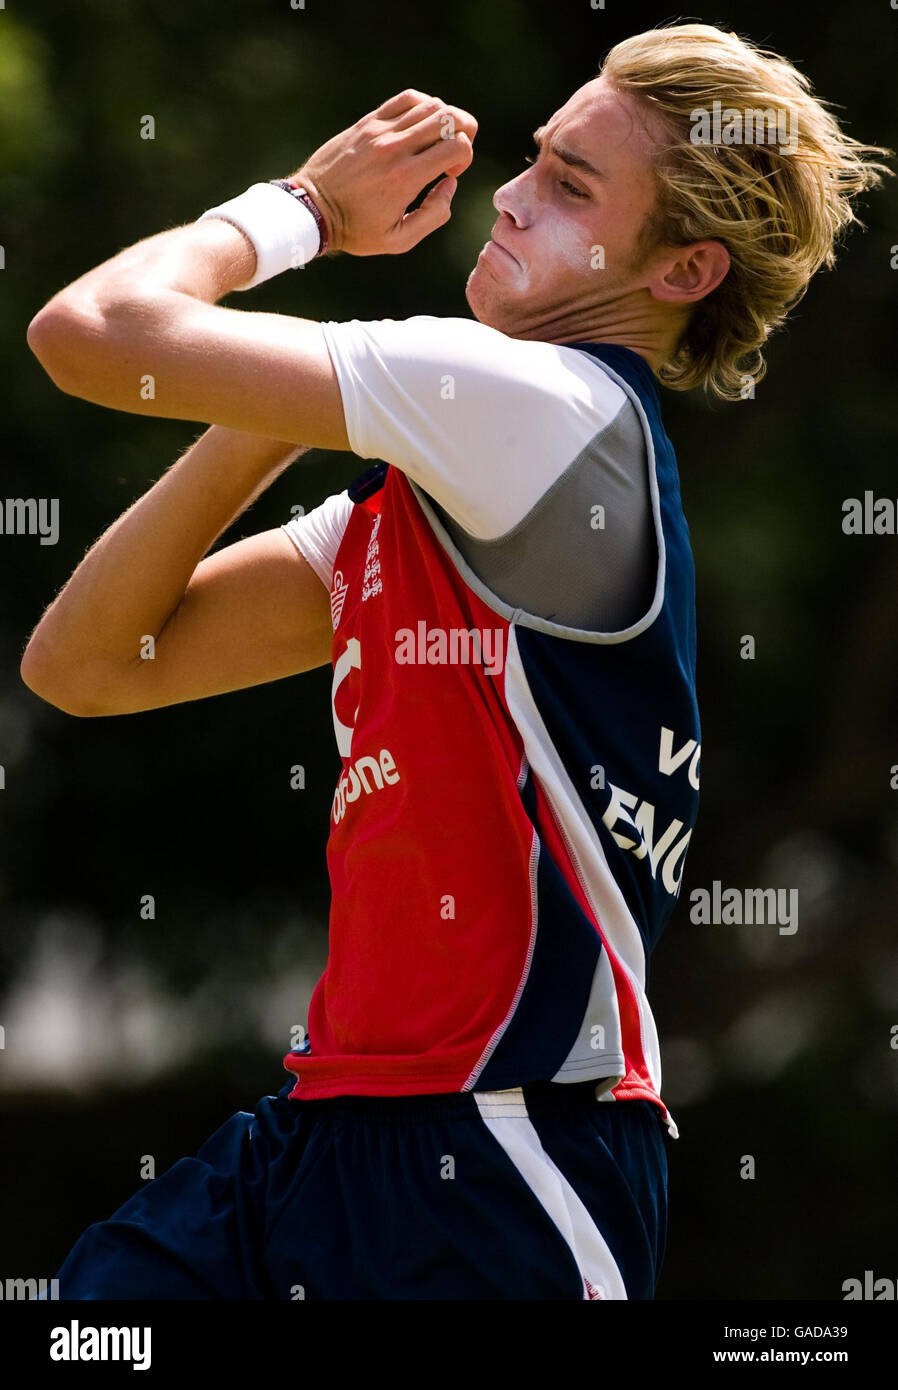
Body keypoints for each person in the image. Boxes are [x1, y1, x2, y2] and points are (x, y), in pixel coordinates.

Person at [22, 23, 890, 1299]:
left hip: (508, 1154)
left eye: (571, 186)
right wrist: (276, 402)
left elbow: (90, 331)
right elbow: (90, 664)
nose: (510, 197)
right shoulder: (452, 480)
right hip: (325, 1130)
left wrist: (304, 212)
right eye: (534, 158)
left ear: (682, 269)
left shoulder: (548, 409)